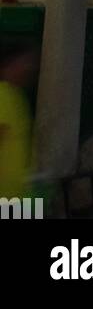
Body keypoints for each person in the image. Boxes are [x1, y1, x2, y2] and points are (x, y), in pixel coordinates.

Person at [0, 38, 38, 200]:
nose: (29, 68)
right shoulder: (3, 95)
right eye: (24, 63)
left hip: (20, 193)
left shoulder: (17, 95)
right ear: (8, 65)